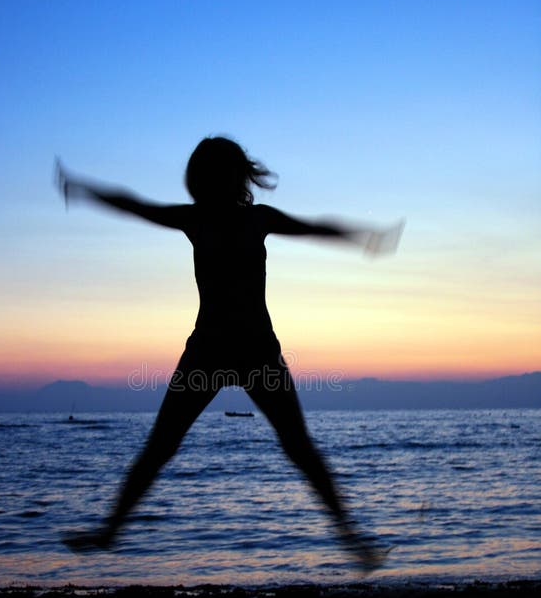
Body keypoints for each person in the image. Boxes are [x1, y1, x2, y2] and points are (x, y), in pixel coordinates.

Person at [55, 137, 403, 570]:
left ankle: (354, 542)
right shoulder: (209, 220)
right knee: (171, 446)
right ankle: (109, 531)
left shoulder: (242, 219)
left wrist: (361, 236)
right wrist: (85, 190)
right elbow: (134, 205)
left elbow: (312, 227)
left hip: (242, 350)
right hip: (223, 349)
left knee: (290, 447)